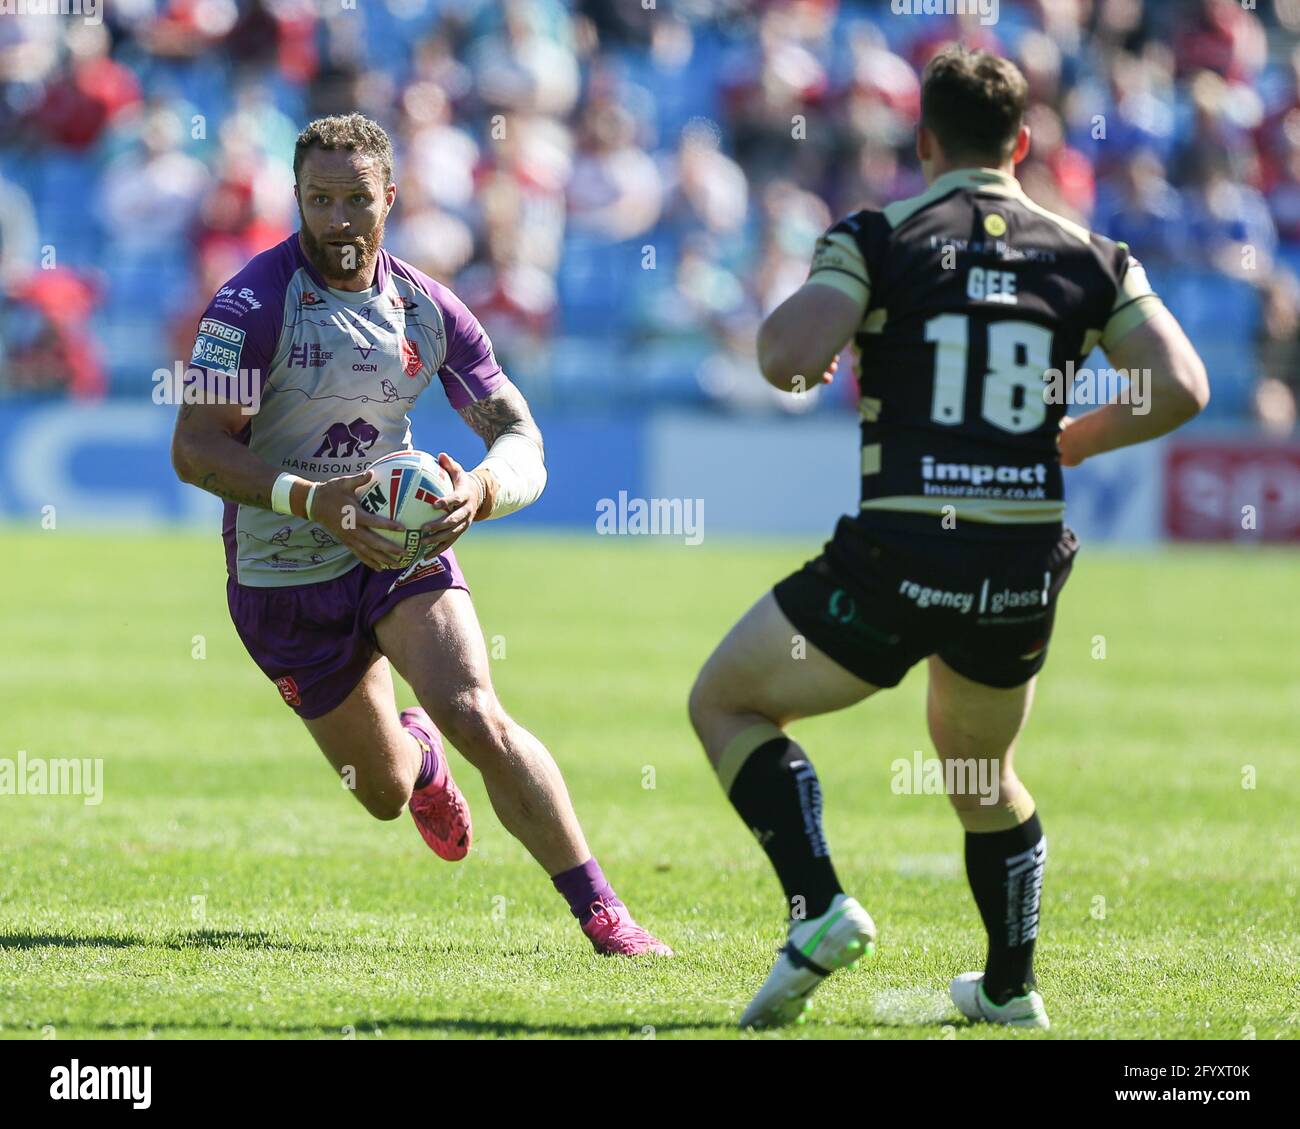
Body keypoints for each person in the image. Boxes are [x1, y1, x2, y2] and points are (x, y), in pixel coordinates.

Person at [688, 46, 1208, 1029]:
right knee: (978, 773)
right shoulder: (1092, 255)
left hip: (900, 552)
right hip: (1016, 563)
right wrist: (1075, 439)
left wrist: (822, 294)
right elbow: (1180, 385)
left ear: (922, 142)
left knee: (727, 702)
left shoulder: (881, 235)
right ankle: (1010, 987)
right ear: (1022, 144)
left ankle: (818, 906)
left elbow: (789, 363)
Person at [171, 113, 671, 957]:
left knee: (477, 711)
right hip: (284, 572)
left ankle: (604, 914)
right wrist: (315, 502)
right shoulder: (250, 304)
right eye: (319, 199)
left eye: (355, 199)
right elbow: (195, 447)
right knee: (384, 791)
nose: (337, 219)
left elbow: (521, 436)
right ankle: (419, 757)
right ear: (296, 198)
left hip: (402, 546)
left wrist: (480, 489)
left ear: (389, 199)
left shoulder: (430, 309)